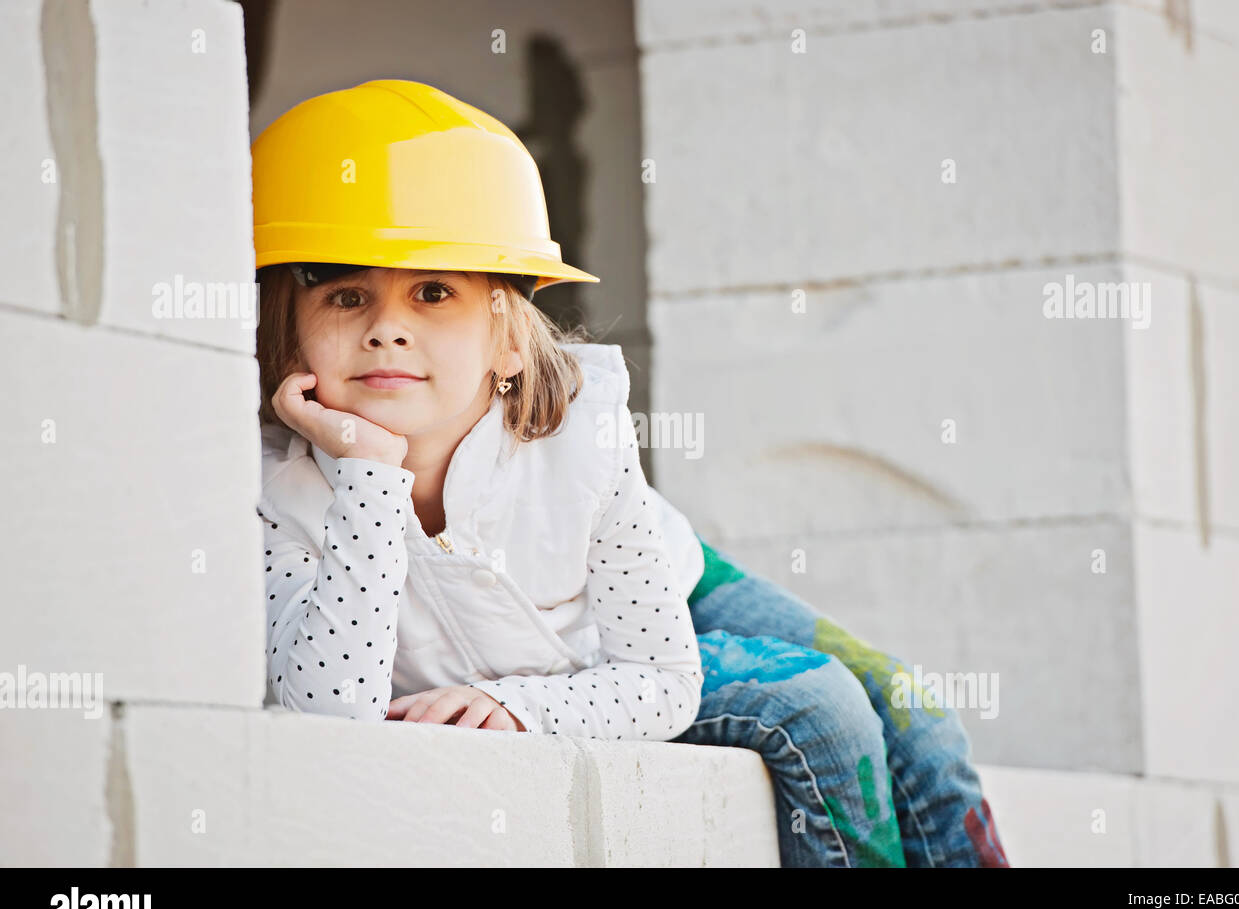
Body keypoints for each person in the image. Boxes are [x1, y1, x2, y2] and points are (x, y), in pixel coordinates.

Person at [252, 78, 1007, 868]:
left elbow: (659, 670)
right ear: (290, 337)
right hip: (583, 671)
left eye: (433, 292)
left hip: (665, 603)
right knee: (821, 707)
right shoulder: (278, 494)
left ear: (508, 343)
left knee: (911, 709)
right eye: (345, 296)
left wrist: (518, 703)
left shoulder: (582, 438)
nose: (386, 331)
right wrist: (369, 473)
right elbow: (331, 715)